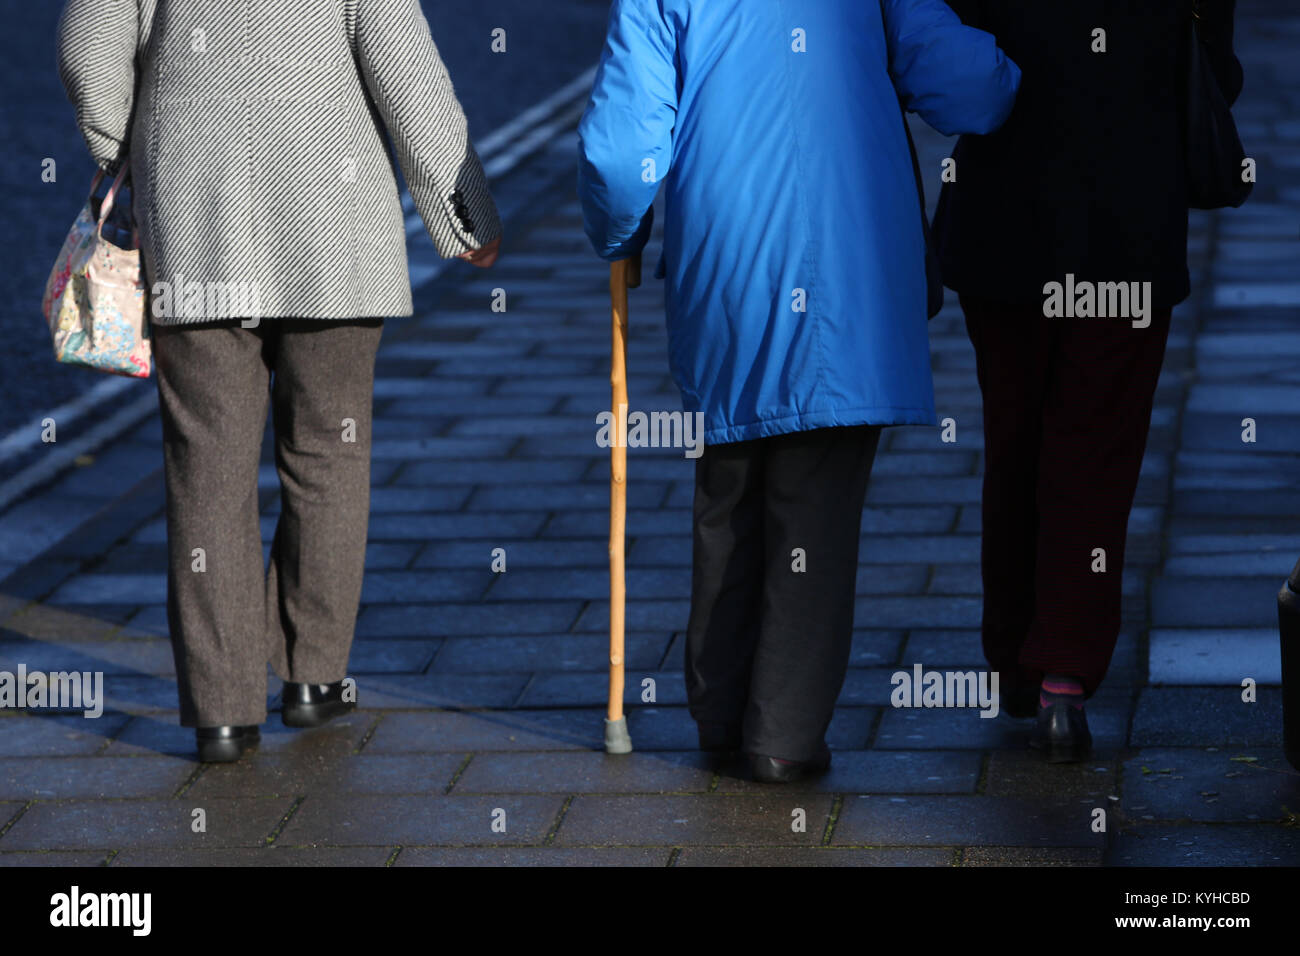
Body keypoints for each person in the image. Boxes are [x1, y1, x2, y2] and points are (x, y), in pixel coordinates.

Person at [578, 0, 1020, 782]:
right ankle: (781, 735)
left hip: (728, 266)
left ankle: (720, 715)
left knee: (728, 491)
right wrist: (1021, 68)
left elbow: (623, 150)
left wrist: (620, 230)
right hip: (850, 271)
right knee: (814, 501)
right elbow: (968, 88)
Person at [56, 0, 502, 762]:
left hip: (197, 214)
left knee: (207, 471)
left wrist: (122, 146)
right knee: (329, 452)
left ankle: (222, 714)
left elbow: (88, 47)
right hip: (336, 222)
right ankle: (312, 674)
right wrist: (467, 218)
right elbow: (406, 68)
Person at [933, 1, 1243, 761]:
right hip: (1125, 233)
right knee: (1094, 455)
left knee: (1015, 443)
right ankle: (1061, 674)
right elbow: (1217, 77)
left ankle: (1013, 655)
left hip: (1005, 224)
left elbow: (945, 66)